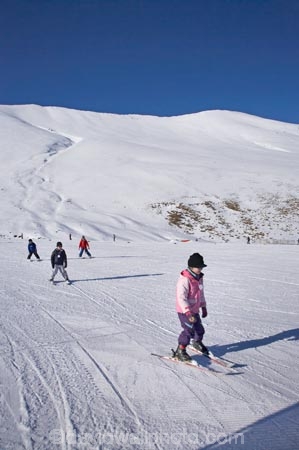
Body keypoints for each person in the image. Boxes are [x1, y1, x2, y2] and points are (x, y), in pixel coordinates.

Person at [174, 253, 208, 362]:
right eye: (198, 267)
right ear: (191, 267)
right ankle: (180, 350)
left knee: (199, 330)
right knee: (188, 331)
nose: (200, 269)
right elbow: (181, 298)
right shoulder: (185, 280)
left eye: (201, 267)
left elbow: (200, 294)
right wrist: (188, 312)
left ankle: (196, 343)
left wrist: (203, 306)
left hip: (195, 310)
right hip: (184, 311)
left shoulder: (199, 278)